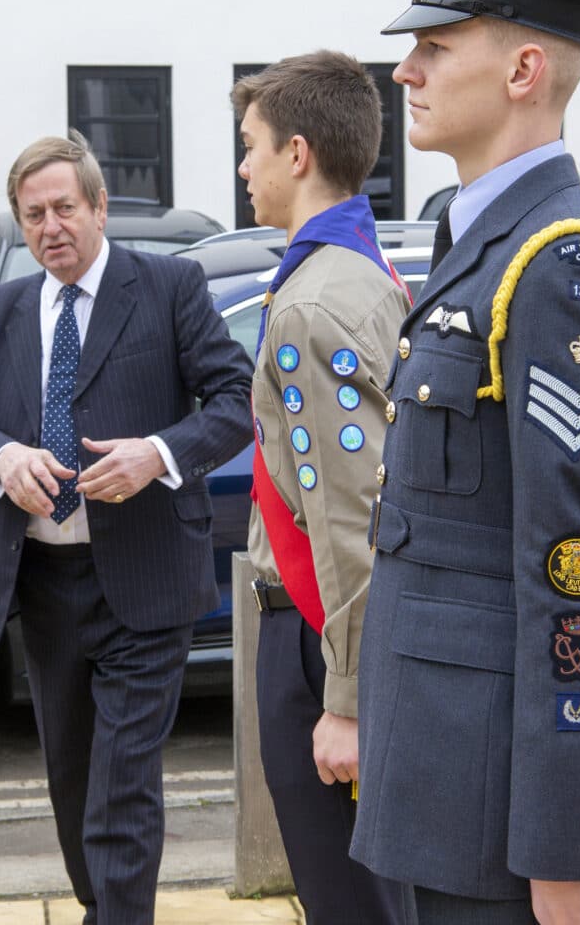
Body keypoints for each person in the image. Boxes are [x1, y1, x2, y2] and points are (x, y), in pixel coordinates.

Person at [348, 0, 580, 924]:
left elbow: (578, 566)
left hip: (511, 818)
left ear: (524, 70)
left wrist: (565, 843)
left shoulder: (560, 263)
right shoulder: (478, 244)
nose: (406, 71)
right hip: (446, 773)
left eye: (436, 47)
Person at [0, 132, 252, 925]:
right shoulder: (2, 309)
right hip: (44, 584)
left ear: (100, 207)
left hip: (144, 580)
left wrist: (159, 453)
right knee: (72, 778)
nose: (51, 227)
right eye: (33, 214)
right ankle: (99, 906)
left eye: (65, 208)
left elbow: (237, 400)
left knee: (122, 786)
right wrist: (3, 458)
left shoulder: (169, 286)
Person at [233, 51, 411, 925]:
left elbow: (348, 520)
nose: (244, 168)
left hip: (315, 636)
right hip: (335, 634)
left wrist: (345, 702)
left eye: (251, 146)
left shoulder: (310, 305)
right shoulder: (360, 270)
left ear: (297, 154)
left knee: (350, 899)